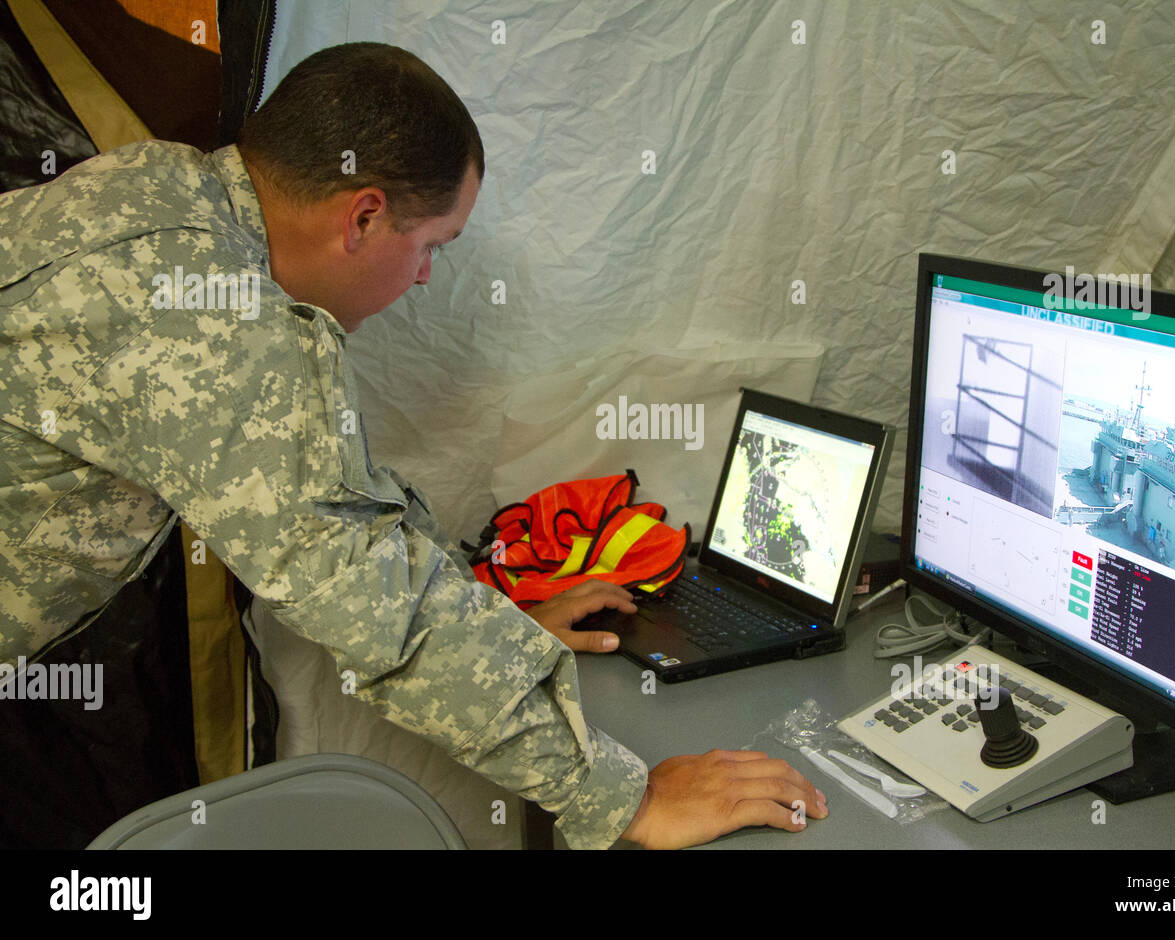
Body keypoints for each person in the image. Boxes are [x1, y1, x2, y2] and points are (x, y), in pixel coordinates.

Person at [0, 41, 826, 849]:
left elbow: (338, 496)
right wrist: (625, 798)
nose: (427, 275)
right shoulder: (217, 319)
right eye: (430, 245)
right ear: (363, 215)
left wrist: (487, 605)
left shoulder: (162, 193)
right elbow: (368, 598)